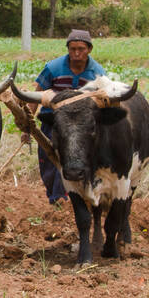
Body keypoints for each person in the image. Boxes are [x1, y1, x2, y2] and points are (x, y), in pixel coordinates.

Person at [33, 28, 107, 203]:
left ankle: (62, 198)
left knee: (72, 159)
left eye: (81, 49)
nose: (76, 53)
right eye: (72, 49)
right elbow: (38, 93)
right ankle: (56, 194)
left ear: (89, 49)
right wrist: (27, 121)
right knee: (48, 162)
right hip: (53, 122)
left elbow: (102, 101)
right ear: (68, 49)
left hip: (81, 128)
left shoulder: (98, 73)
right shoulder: (53, 68)